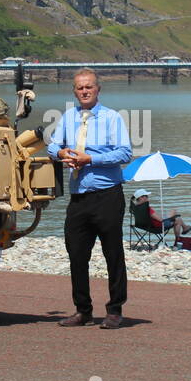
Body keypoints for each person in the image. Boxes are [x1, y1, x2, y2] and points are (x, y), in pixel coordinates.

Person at [47, 68, 133, 329]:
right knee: (76, 253)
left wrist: (90, 159)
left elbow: (125, 153)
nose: (84, 91)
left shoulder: (112, 118)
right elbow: (51, 146)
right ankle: (82, 310)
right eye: (79, 88)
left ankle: (115, 309)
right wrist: (62, 153)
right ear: (74, 91)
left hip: (107, 194)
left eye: (89, 87)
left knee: (113, 254)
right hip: (79, 196)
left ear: (98, 89)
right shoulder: (68, 117)